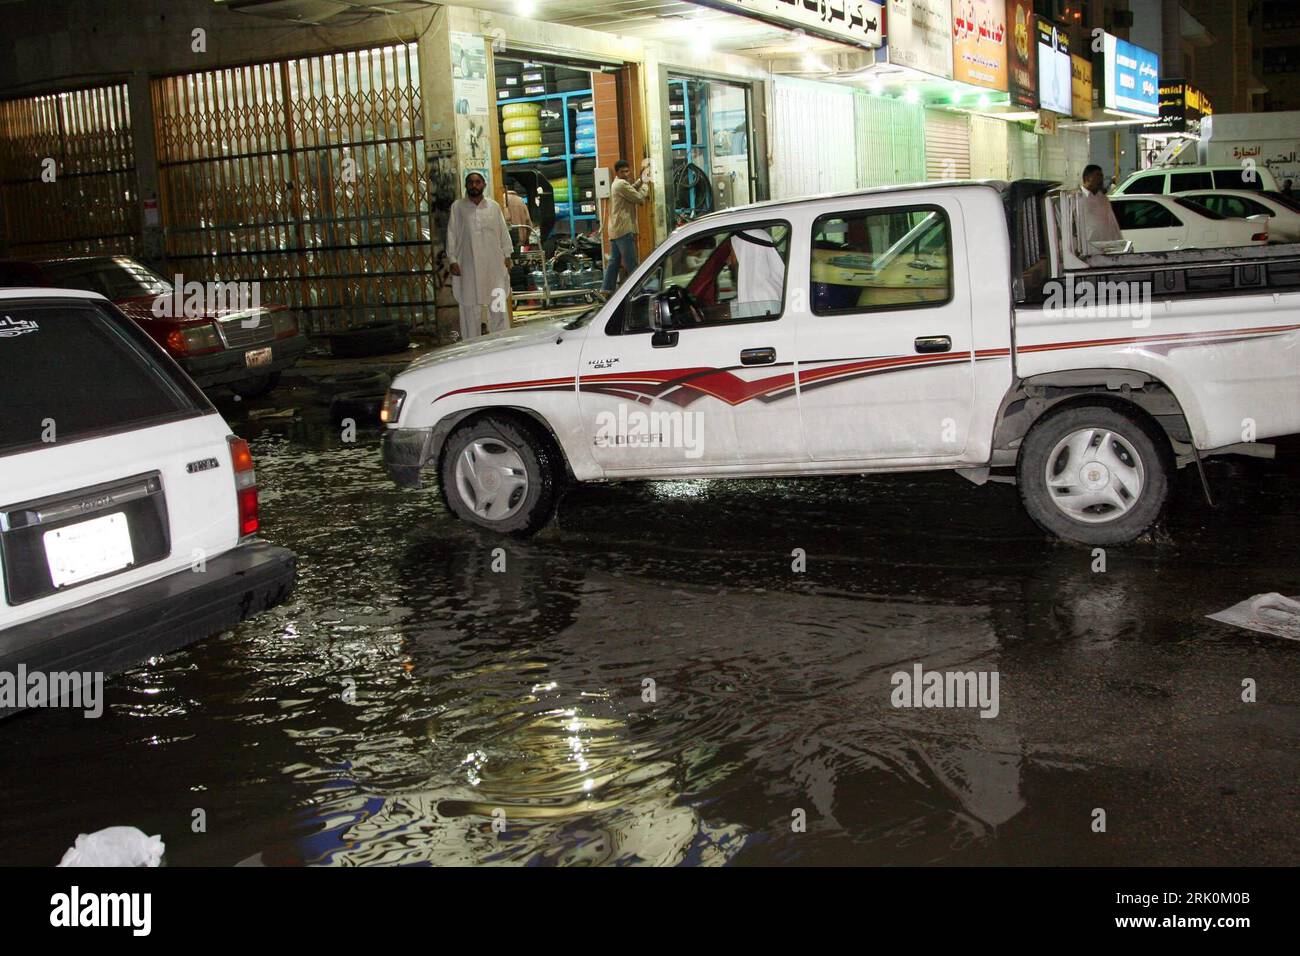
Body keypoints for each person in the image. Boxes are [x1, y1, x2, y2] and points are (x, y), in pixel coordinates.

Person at [447, 171, 513, 340]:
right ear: (466, 186)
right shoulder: (458, 207)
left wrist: (507, 255)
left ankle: (502, 342)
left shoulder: (493, 206)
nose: (474, 185)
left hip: (493, 266)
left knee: (498, 306)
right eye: (470, 182)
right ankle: (471, 345)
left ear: (484, 185)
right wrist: (452, 260)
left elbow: (503, 233)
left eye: (478, 182)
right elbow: (452, 234)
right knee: (469, 307)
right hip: (468, 266)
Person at [602, 159, 651, 294]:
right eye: (622, 171)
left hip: (615, 230)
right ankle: (639, 290)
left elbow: (631, 189)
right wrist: (646, 185)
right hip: (623, 230)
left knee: (614, 262)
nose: (626, 173)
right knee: (631, 263)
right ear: (617, 172)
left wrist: (641, 180)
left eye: (627, 170)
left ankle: (606, 289)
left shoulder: (617, 183)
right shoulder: (621, 184)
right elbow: (639, 198)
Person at [1079, 163, 1123, 254]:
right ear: (1087, 178)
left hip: (1106, 250)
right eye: (1098, 176)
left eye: (1101, 176)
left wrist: (1119, 245)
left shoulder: (1103, 199)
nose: (1101, 179)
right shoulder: (1077, 198)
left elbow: (1112, 223)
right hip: (1088, 250)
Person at [504, 179, 532, 247]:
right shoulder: (520, 200)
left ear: (504, 187)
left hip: (506, 241)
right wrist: (525, 239)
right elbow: (529, 223)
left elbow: (506, 218)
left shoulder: (501, 199)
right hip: (520, 242)